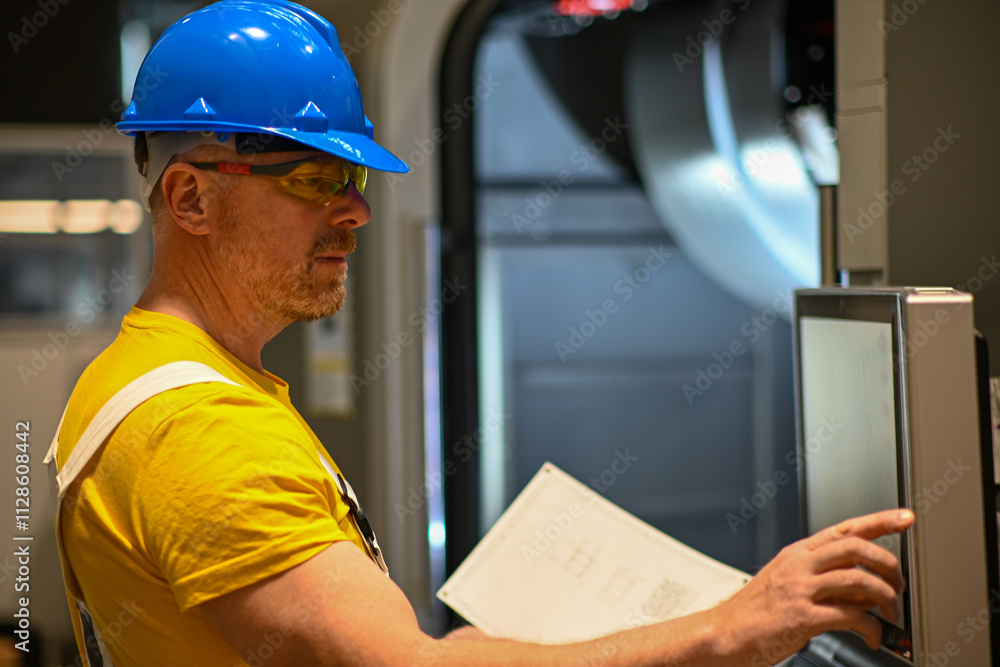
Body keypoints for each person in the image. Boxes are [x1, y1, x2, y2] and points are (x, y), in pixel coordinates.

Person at [46, 1, 914, 666]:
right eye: (313, 177)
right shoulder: (200, 435)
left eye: (353, 176)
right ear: (192, 198)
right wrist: (733, 628)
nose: (356, 211)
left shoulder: (145, 373)